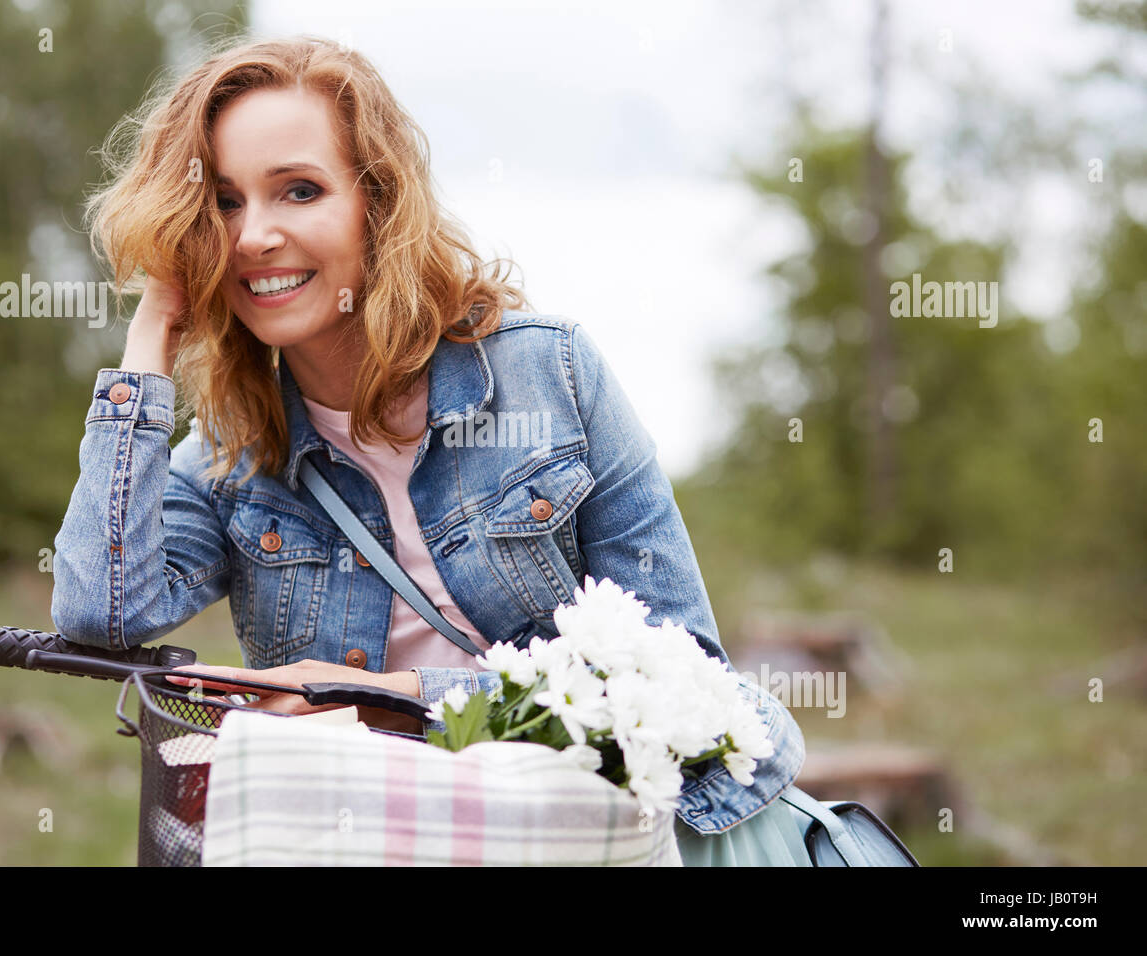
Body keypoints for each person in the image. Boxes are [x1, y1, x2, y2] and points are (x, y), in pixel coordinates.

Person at [52, 35, 810, 865]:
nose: (254, 236)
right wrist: (151, 334)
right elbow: (101, 611)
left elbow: (684, 678)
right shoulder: (234, 451)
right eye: (224, 203)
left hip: (569, 845)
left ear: (377, 204)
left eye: (298, 191)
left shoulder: (548, 376)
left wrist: (390, 698)